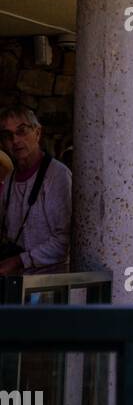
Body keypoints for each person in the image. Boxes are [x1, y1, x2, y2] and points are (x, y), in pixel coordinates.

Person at [0, 104, 72, 276]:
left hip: (48, 286)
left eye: (22, 131)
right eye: (7, 135)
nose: (15, 140)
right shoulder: (10, 179)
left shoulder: (57, 176)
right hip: (17, 285)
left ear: (37, 133)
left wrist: (20, 260)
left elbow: (65, 242)